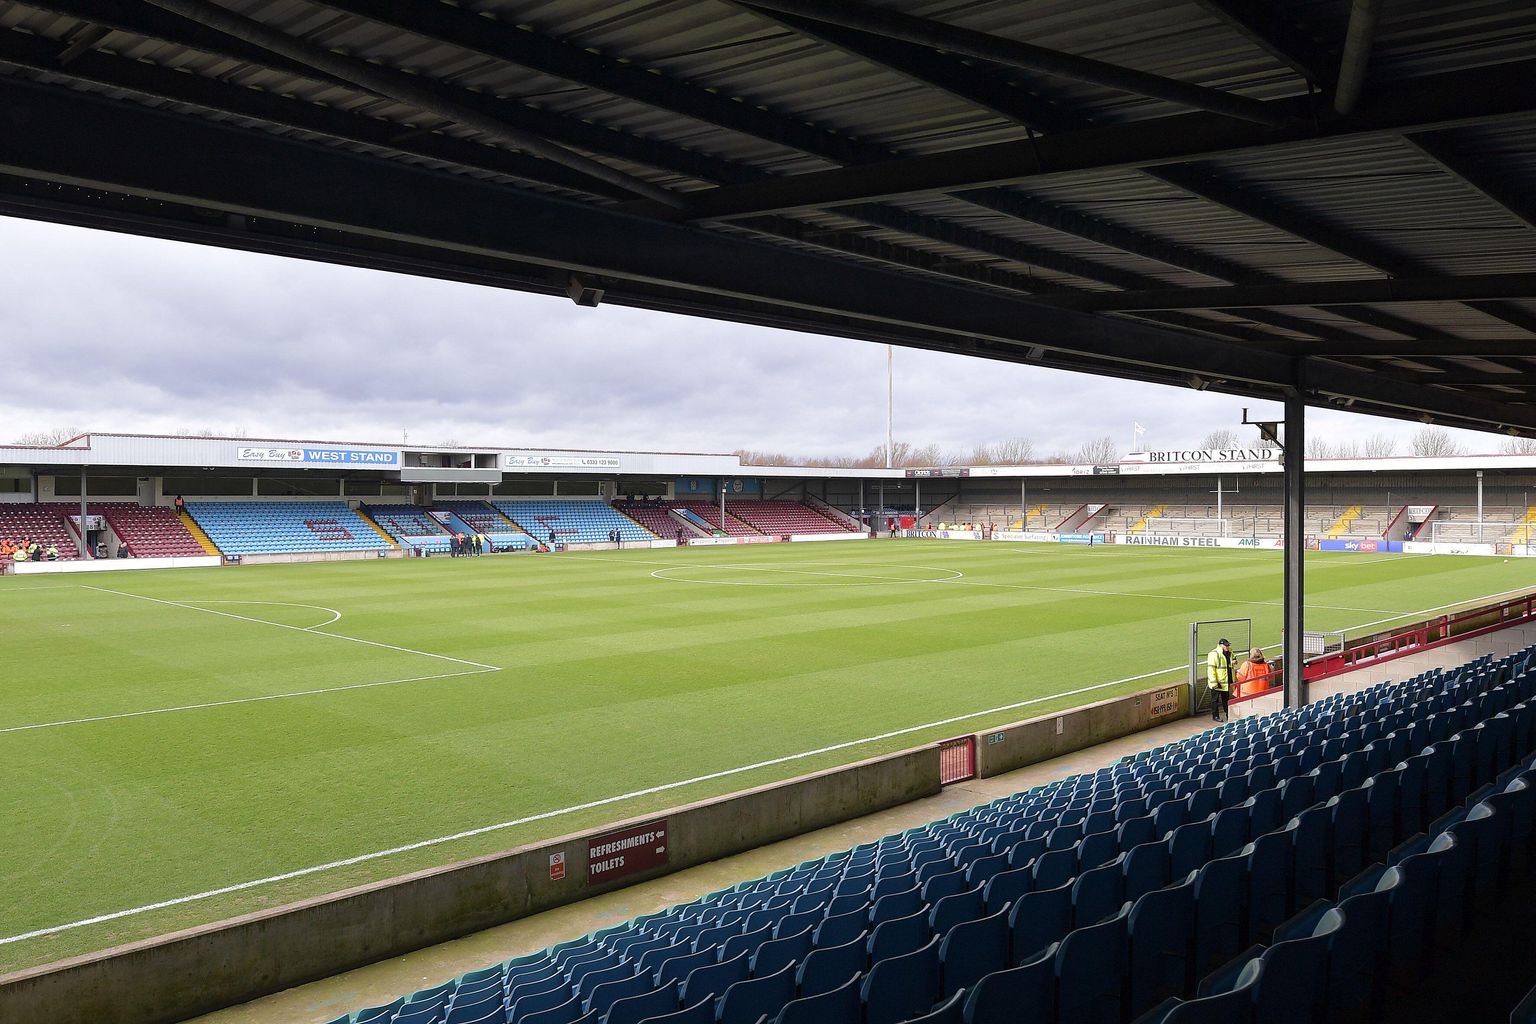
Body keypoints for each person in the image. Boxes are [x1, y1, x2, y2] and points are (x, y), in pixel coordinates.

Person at [1206, 638, 1234, 722]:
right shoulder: (1214, 654)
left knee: (1226, 699)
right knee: (1215, 700)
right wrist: (1214, 682)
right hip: (1218, 682)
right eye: (1226, 645)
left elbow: (1232, 660)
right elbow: (1211, 669)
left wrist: (1234, 662)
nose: (1228, 646)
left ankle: (1228, 714)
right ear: (1221, 645)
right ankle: (1215, 716)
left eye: (1228, 645)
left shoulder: (1230, 652)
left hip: (1226, 681)